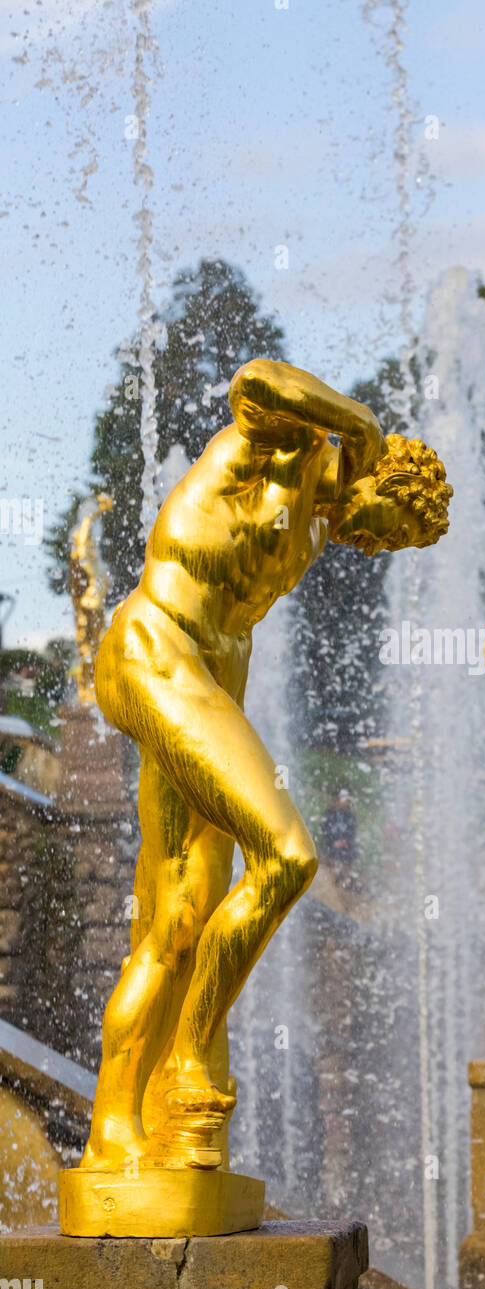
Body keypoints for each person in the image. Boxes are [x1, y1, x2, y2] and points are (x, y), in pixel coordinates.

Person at [83, 357, 451, 1170]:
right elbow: (255, 378)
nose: (379, 544)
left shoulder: (320, 524)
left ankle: (117, 1127)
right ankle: (192, 1057)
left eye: (396, 544)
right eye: (393, 523)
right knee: (288, 857)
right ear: (385, 476)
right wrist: (359, 423)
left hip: (200, 679)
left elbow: (236, 648)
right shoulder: (291, 450)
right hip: (153, 650)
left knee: (175, 921)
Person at [321, 788, 358, 890]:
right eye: (342, 799)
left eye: (346, 799)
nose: (344, 802)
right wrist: (333, 841)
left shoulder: (350, 815)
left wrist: (345, 841)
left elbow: (352, 830)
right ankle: (337, 875)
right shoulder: (329, 813)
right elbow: (325, 830)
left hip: (346, 843)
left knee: (352, 850)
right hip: (332, 842)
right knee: (336, 852)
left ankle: (349, 877)